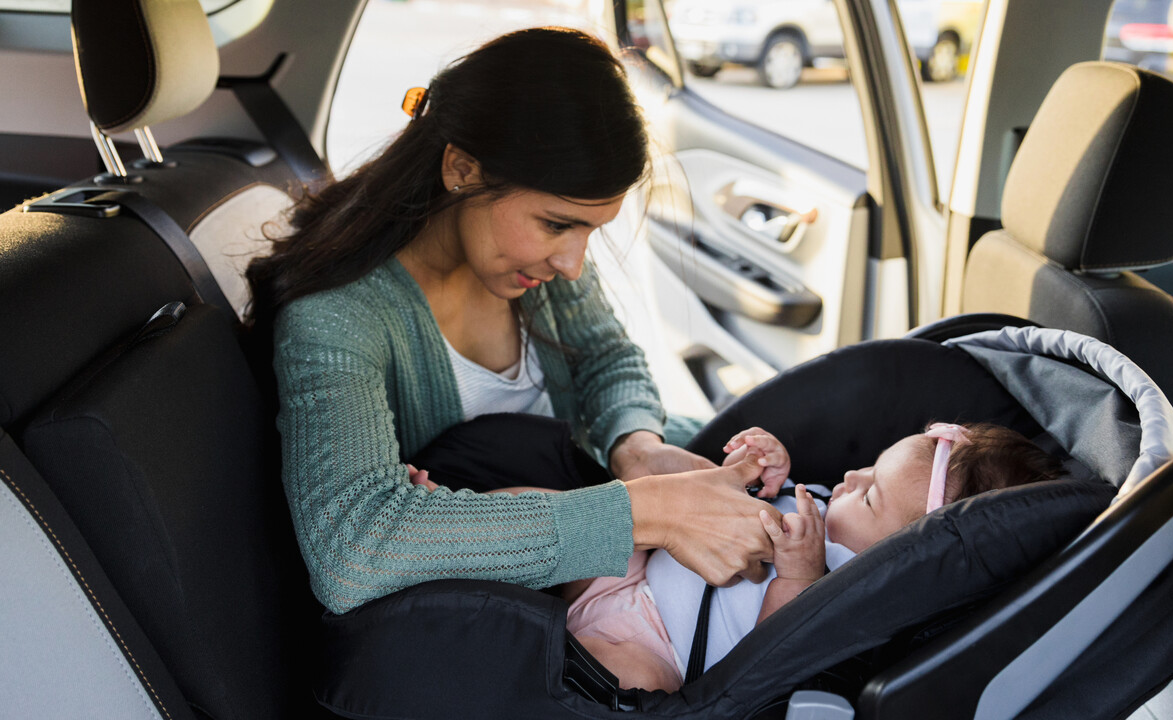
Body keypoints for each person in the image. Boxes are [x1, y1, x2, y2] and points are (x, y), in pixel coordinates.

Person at [243, 27, 778, 615]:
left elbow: (604, 358)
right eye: (556, 224)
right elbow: (357, 550)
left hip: (600, 499)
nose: (573, 266)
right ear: (462, 170)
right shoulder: (336, 319)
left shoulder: (521, 261)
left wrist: (637, 448)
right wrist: (650, 513)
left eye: (590, 231)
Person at [553, 422, 1069, 692]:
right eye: (870, 466)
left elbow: (769, 658)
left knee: (637, 683)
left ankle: (526, 661)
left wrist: (798, 577)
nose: (851, 478)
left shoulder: (849, 586)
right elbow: (720, 508)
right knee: (559, 510)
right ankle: (490, 555)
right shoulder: (825, 504)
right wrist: (760, 468)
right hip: (635, 566)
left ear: (897, 553)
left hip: (657, 646)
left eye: (869, 497)